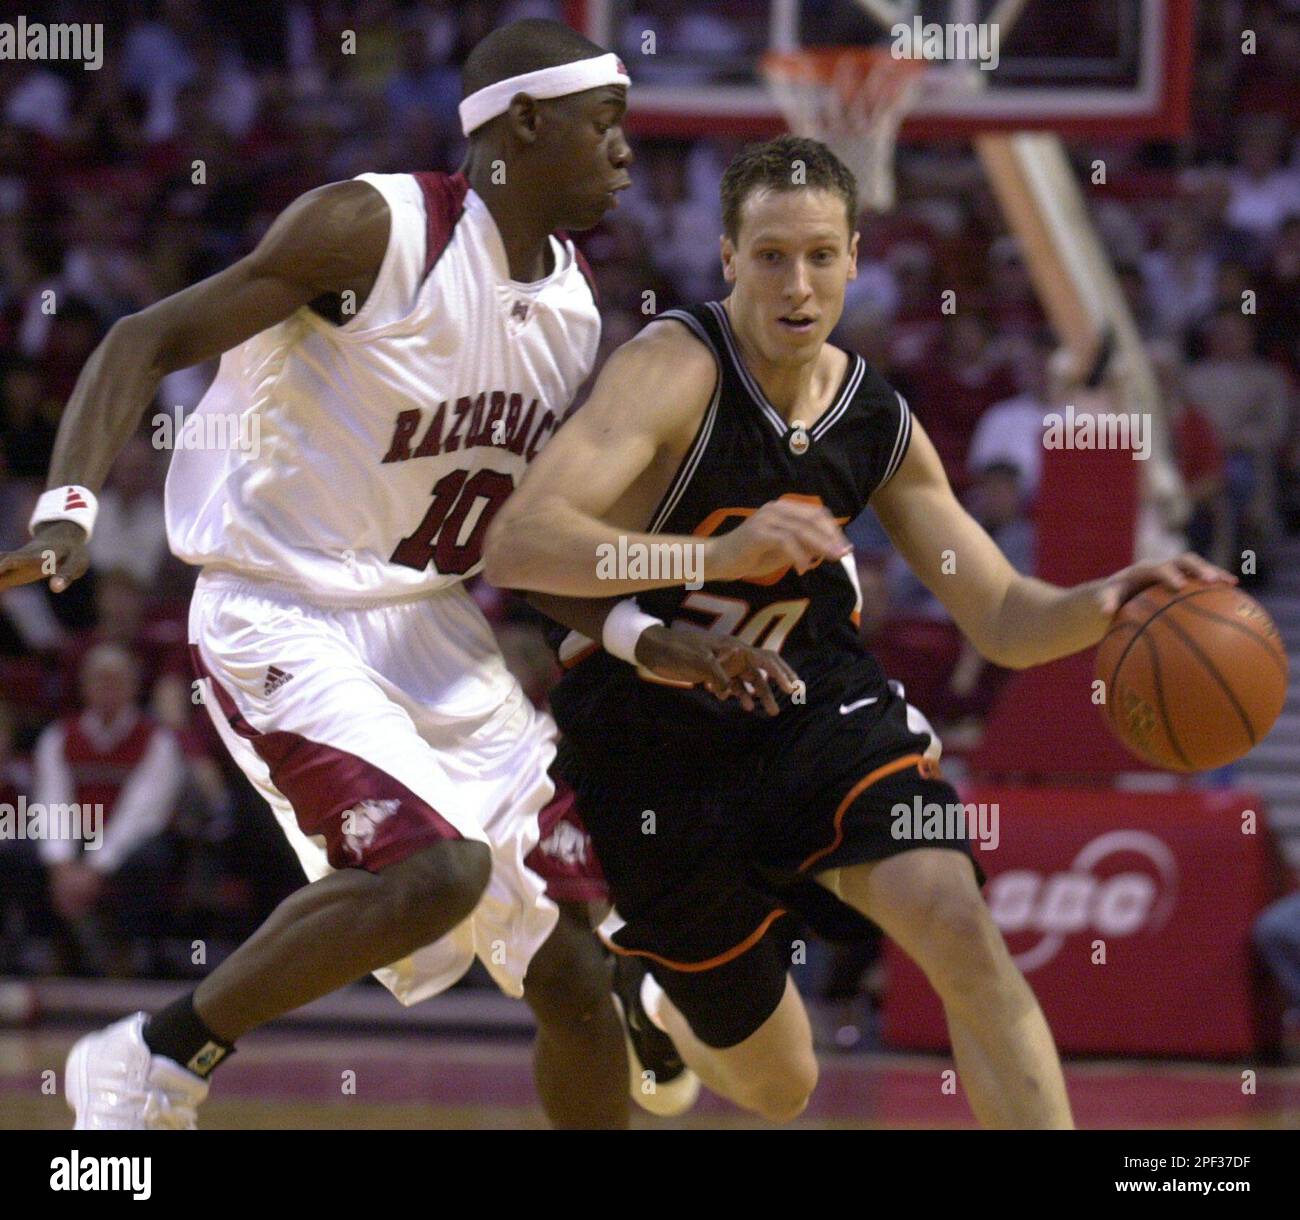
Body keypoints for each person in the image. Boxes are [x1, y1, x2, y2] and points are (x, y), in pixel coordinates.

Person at [0, 18, 777, 1132]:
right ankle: (154, 1055)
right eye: (605, 127)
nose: (623, 155)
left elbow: (519, 548)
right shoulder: (375, 227)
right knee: (439, 875)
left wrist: (646, 637)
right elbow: (138, 340)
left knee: (570, 962)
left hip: (431, 622)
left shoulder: (568, 314)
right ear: (522, 126)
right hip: (285, 606)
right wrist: (68, 511)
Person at [483, 135, 1237, 1127]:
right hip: (648, 741)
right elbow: (517, 543)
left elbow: (1003, 616)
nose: (797, 283)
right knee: (779, 1085)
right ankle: (655, 999)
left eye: (820, 255)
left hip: (815, 710)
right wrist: (714, 557)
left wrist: (1110, 601)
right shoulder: (671, 368)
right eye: (769, 256)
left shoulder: (875, 417)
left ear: (854, 256)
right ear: (725, 258)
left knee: (960, 924)